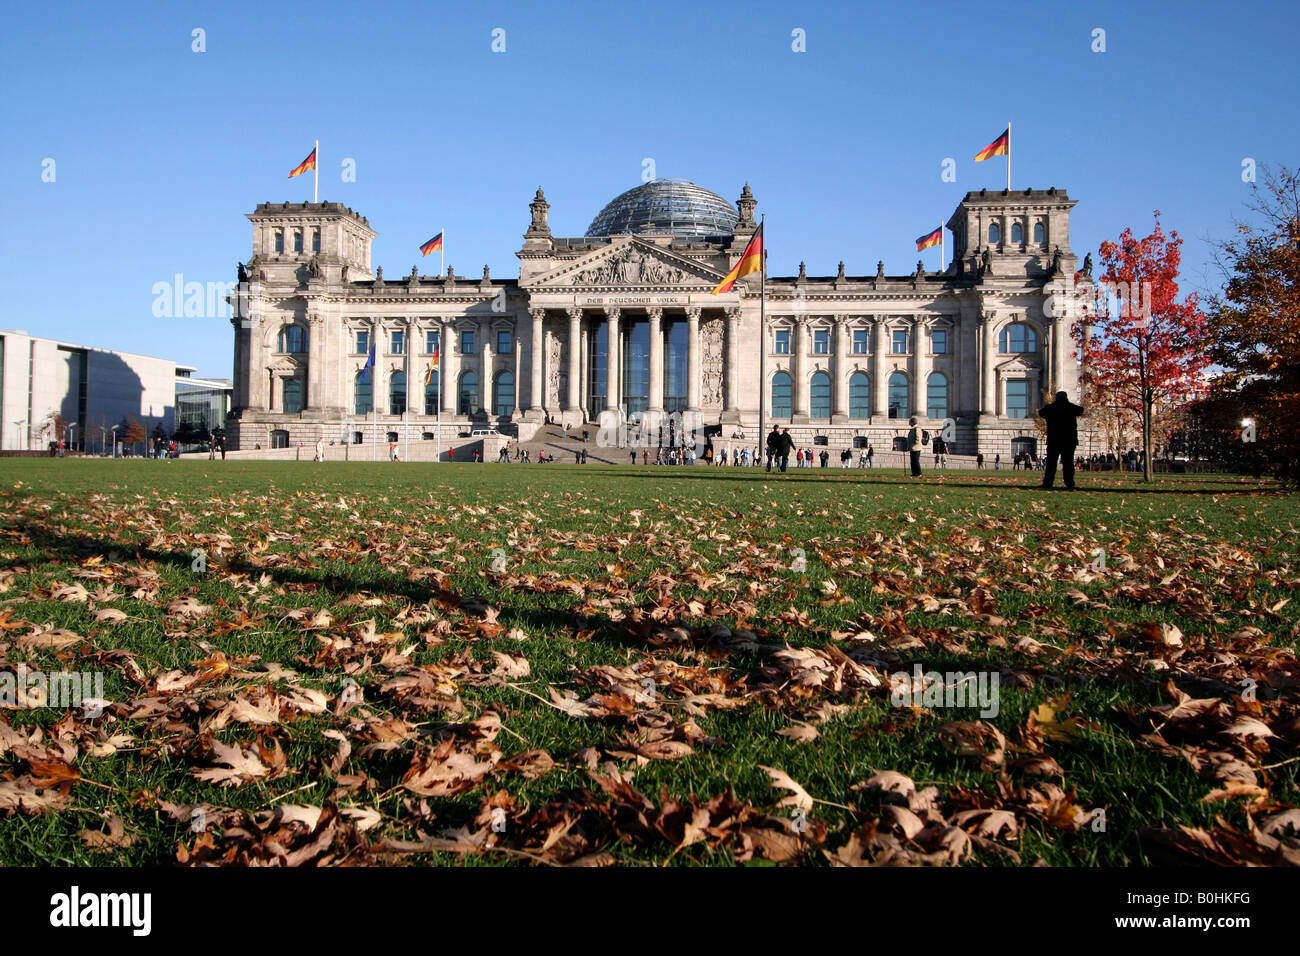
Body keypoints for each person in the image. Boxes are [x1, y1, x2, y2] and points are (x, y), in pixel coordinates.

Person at [1038, 391, 1085, 490]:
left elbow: (1041, 413)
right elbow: (1081, 410)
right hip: (1068, 440)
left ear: (1056, 398)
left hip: (1054, 439)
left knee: (1051, 463)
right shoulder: (1071, 407)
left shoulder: (1050, 408)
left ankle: (1048, 483)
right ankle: (1069, 484)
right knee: (1068, 463)